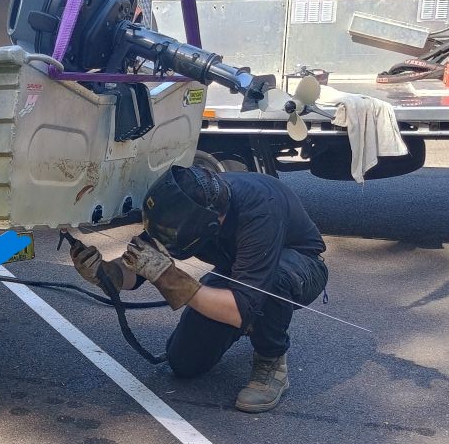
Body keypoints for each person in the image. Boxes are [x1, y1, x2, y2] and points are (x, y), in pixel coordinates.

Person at [71, 164, 328, 413]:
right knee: (184, 363)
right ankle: (248, 326)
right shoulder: (182, 203)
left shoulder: (259, 211)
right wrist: (108, 274)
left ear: (211, 222)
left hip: (297, 265)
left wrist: (170, 278)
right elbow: (138, 266)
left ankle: (271, 361)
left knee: (269, 288)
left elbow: (240, 308)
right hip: (237, 270)